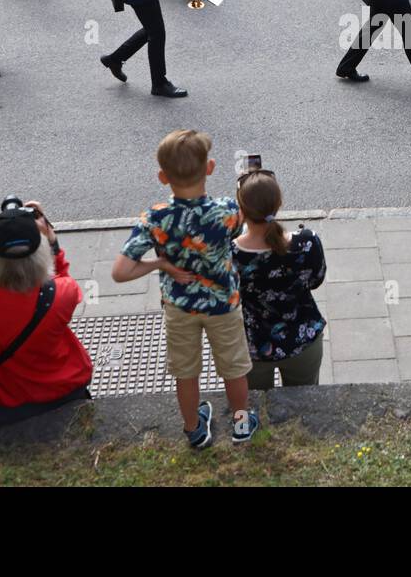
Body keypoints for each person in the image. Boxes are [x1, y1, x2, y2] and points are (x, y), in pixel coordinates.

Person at [112, 130, 259, 447]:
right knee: (234, 368)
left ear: (163, 177)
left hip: (180, 308)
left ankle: (194, 428)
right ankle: (241, 423)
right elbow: (245, 221)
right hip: (224, 305)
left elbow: (121, 272)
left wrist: (160, 265)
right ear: (210, 168)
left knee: (186, 372)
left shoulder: (155, 219)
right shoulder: (227, 211)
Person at [0, 200, 92, 422]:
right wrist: (52, 241)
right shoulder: (62, 293)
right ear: (41, 252)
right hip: (62, 393)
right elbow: (61, 279)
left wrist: (7, 236)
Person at [233, 169, 327, 388]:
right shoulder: (307, 242)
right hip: (303, 342)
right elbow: (316, 280)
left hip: (254, 347)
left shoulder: (232, 253)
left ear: (241, 210)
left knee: (256, 405)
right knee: (304, 407)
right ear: (279, 203)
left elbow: (230, 296)